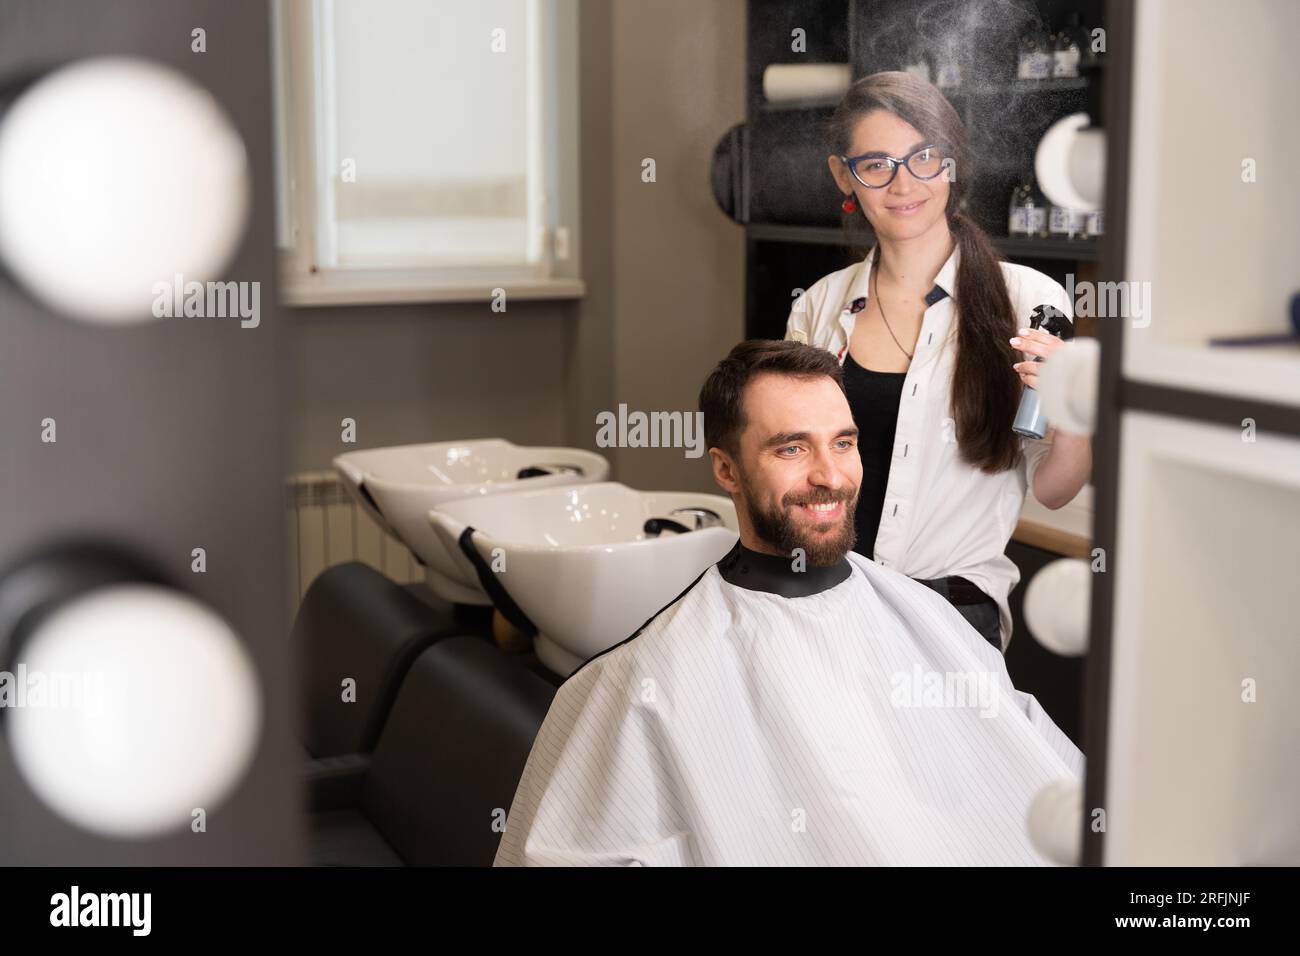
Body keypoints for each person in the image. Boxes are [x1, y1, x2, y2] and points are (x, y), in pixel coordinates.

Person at [493, 340, 1083, 867]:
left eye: (843, 443)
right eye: (792, 449)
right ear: (726, 469)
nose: (830, 475)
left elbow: (1041, 769)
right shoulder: (653, 675)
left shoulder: (923, 619)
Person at [785, 71, 1091, 652]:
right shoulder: (820, 306)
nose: (903, 184)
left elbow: (1054, 489)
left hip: (954, 611)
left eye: (923, 157)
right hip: (827, 596)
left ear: (949, 162)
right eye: (876, 164)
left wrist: (1072, 405)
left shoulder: (1029, 301)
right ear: (843, 175)